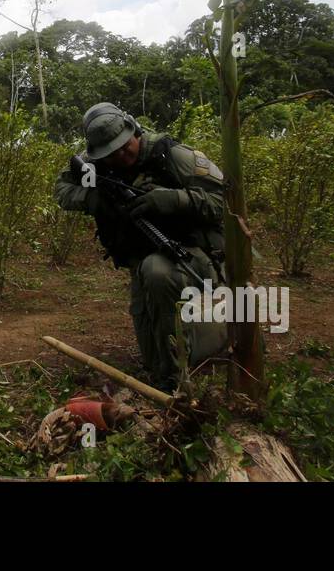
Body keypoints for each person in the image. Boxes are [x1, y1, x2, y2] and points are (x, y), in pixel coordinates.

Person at [54, 102, 229, 392]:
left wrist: (174, 200)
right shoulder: (93, 163)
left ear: (134, 129)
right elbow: (62, 190)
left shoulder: (172, 155)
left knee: (158, 272)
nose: (122, 156)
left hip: (196, 255)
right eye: (112, 153)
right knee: (153, 360)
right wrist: (95, 200)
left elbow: (226, 202)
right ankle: (176, 358)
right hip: (145, 258)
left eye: (125, 146)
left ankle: (181, 376)